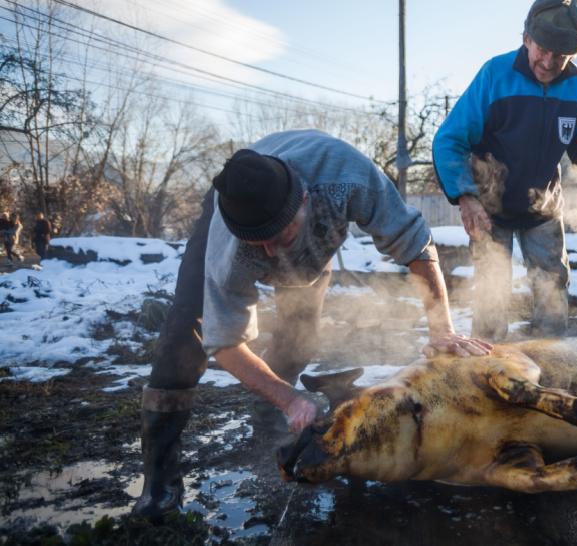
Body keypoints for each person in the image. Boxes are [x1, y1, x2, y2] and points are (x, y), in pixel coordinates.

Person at [133, 129, 491, 519]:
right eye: (260, 245)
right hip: (235, 219)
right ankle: (159, 485)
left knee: (301, 340)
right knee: (184, 338)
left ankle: (268, 414)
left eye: (278, 236)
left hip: (314, 241)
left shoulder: (348, 177)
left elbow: (414, 242)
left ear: (304, 201)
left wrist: (442, 331)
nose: (270, 252)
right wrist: (292, 398)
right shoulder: (231, 245)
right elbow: (224, 342)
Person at [433, 0, 577, 341]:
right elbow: (449, 140)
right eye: (543, 50)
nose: (548, 63)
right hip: (490, 208)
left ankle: (551, 361)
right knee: (491, 292)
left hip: (543, 208)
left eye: (560, 56)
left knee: (553, 288)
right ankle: (486, 368)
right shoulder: (495, 75)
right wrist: (466, 198)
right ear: (526, 39)